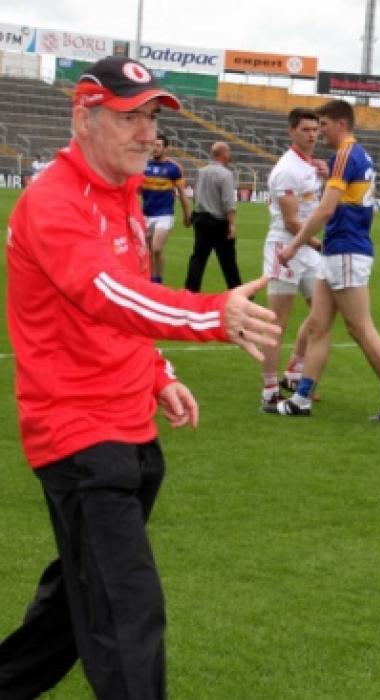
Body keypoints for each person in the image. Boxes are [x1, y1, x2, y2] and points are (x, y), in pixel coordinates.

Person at [0, 56, 280, 700]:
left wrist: (158, 372)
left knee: (79, 603)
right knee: (127, 613)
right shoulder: (54, 201)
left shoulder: (121, 194)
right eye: (130, 116)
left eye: (152, 117)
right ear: (84, 118)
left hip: (130, 433)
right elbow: (106, 294)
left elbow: (119, 306)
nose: (147, 132)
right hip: (78, 439)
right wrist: (215, 314)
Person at [271, 99, 380, 422]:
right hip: (338, 250)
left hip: (345, 250)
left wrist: (295, 245)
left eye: (323, 125)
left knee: (360, 328)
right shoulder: (356, 155)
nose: (319, 132)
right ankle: (301, 399)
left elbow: (325, 209)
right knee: (318, 326)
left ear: (341, 125)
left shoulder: (345, 156)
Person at [258, 107, 326, 411]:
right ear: (291, 131)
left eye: (315, 130)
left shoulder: (309, 164)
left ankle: (295, 371)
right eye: (305, 130)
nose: (312, 135)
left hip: (307, 248)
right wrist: (318, 244)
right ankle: (270, 391)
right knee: (277, 323)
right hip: (285, 248)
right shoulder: (287, 169)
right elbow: (290, 221)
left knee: (321, 315)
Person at [185, 141, 244, 291]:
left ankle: (191, 290)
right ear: (223, 154)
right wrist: (232, 223)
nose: (229, 155)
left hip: (200, 218)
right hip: (218, 222)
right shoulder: (226, 174)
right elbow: (228, 202)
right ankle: (237, 290)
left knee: (198, 258)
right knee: (228, 260)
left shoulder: (201, 171)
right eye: (228, 152)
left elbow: (196, 195)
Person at [141, 134, 192, 283]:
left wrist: (187, 214)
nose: (155, 149)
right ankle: (150, 278)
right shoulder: (144, 165)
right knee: (147, 251)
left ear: (165, 148)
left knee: (156, 248)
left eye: (158, 146)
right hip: (146, 213)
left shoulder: (174, 168)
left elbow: (182, 193)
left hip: (164, 214)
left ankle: (157, 280)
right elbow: (136, 189)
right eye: (153, 145)